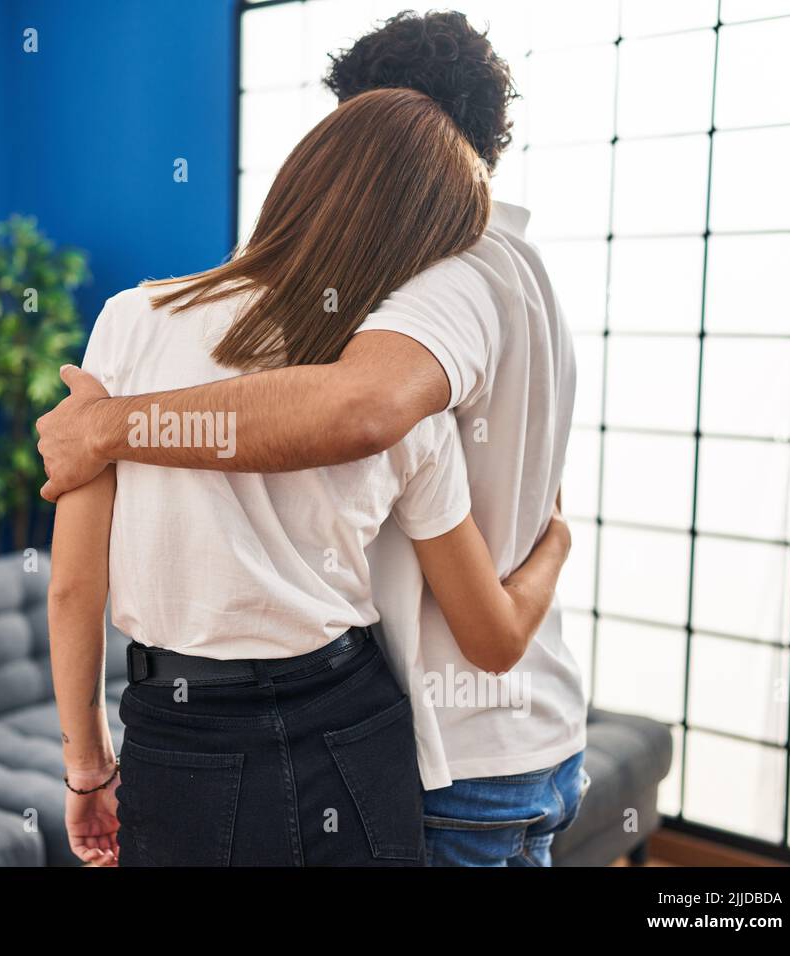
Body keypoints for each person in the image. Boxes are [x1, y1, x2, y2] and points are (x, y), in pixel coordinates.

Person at [39, 11, 587, 867]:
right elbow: (491, 625)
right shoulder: (457, 318)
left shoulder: (134, 327)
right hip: (365, 724)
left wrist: (84, 768)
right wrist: (558, 541)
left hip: (196, 725)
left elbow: (75, 585)